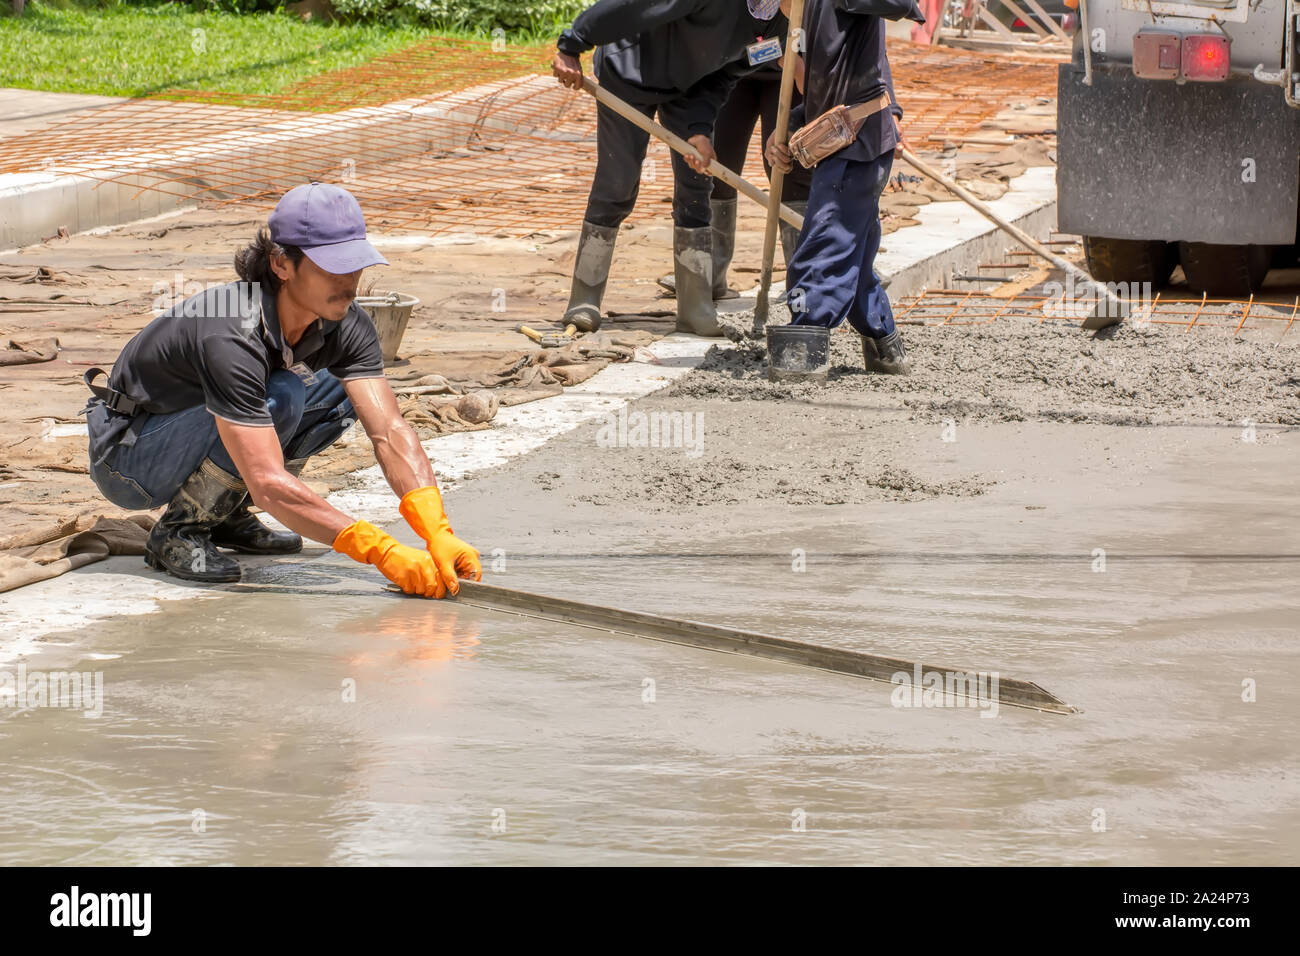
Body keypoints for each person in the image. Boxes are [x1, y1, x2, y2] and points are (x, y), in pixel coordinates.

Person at [82, 183, 481, 596]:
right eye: (331, 267)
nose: (348, 282)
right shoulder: (231, 329)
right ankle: (180, 532)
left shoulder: (345, 320)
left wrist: (436, 528)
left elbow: (390, 430)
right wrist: (378, 550)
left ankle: (227, 513)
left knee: (340, 392)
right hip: (131, 461)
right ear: (281, 265)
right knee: (283, 395)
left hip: (196, 434)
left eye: (354, 266)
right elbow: (269, 481)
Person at [552, 0, 791, 337]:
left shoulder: (780, 25)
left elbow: (726, 75)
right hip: (630, 70)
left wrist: (699, 127)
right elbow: (633, 5)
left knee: (697, 188)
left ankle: (695, 308)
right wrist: (573, 42)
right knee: (617, 181)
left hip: (690, 88)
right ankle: (584, 298)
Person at [766, 0, 924, 374]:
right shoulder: (810, 17)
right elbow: (833, 85)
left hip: (858, 147)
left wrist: (893, 112)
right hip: (845, 138)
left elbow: (901, 7)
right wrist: (789, 126)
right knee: (852, 254)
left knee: (827, 242)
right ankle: (884, 344)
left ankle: (805, 340)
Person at [660, 58, 815, 300]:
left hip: (789, 71)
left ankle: (805, 281)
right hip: (732, 67)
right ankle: (709, 275)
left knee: (788, 168)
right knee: (715, 166)